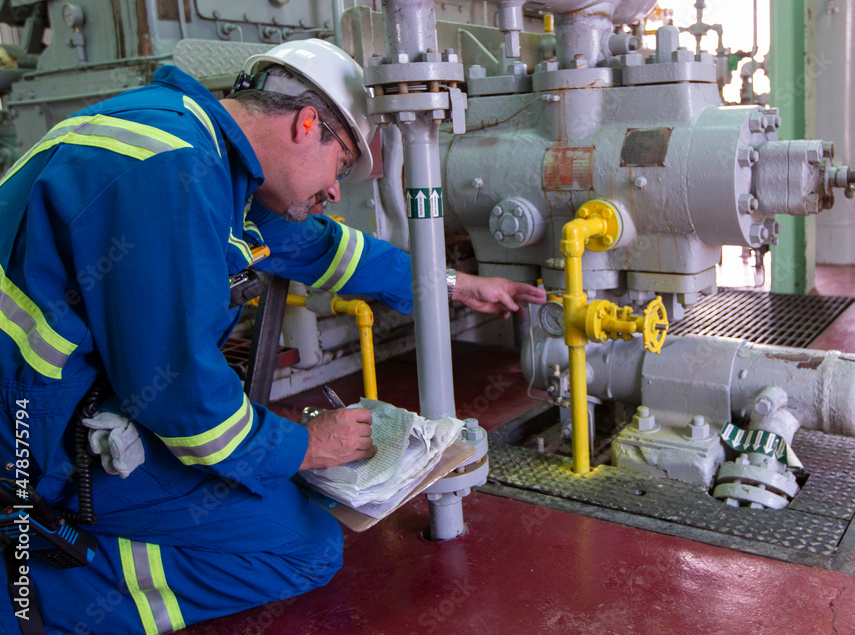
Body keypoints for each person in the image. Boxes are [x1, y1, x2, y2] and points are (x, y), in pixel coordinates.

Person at [0, 38, 545, 633]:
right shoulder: (171, 173)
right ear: (307, 123)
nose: (337, 190)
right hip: (29, 437)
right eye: (341, 165)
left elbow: (324, 249)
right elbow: (181, 399)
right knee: (302, 548)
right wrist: (306, 446)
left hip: (55, 402)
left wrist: (456, 283)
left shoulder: (191, 144)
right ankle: (30, 585)